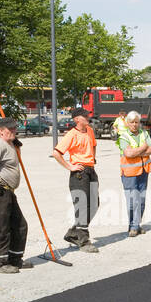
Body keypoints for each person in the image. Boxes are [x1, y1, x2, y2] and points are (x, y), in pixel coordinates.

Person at [0, 118, 33, 274]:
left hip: (9, 192)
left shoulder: (11, 144)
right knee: (1, 228)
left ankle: (15, 259)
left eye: (15, 129)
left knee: (20, 225)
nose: (13, 131)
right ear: (1, 131)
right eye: (9, 129)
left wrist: (17, 148)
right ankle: (1, 263)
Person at [53, 107, 99, 253]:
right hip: (79, 174)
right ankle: (84, 241)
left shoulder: (89, 131)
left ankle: (74, 232)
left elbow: (93, 145)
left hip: (90, 170)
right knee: (82, 206)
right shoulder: (72, 134)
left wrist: (93, 159)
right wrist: (70, 166)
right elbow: (56, 153)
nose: (88, 118)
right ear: (77, 119)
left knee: (94, 204)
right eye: (85, 116)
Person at [116, 111, 151, 236]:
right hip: (129, 173)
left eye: (136, 122)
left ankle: (136, 225)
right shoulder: (123, 137)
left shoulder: (144, 133)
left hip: (144, 171)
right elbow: (128, 154)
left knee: (141, 200)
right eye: (132, 122)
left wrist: (137, 151)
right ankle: (133, 226)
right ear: (127, 123)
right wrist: (143, 148)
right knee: (133, 201)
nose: (134, 124)